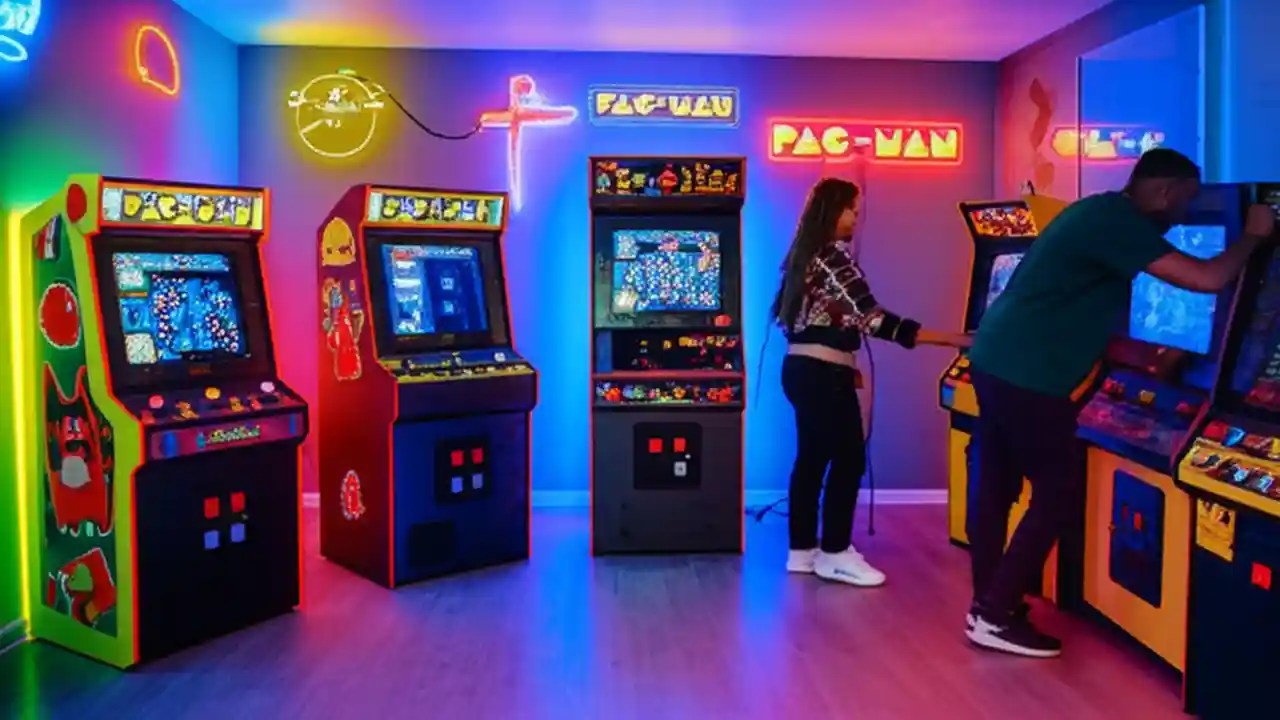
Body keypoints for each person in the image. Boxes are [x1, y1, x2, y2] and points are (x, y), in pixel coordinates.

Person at [965, 149, 1277, 657]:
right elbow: (1207, 279)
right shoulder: (1121, 221)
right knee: (1058, 492)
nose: (1183, 214)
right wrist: (1254, 236)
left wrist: (1142, 356)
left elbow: (1074, 310)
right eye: (1187, 201)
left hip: (997, 359)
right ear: (1166, 191)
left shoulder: (1098, 211)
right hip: (1028, 373)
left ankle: (988, 603)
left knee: (996, 486)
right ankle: (994, 614)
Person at [770, 177, 970, 586]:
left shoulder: (802, 258)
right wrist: (954, 338)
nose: (856, 220)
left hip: (801, 369)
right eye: (852, 211)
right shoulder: (832, 258)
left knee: (811, 461)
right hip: (824, 373)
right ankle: (836, 553)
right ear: (832, 210)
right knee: (848, 459)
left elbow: (794, 318)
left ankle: (803, 551)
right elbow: (874, 320)